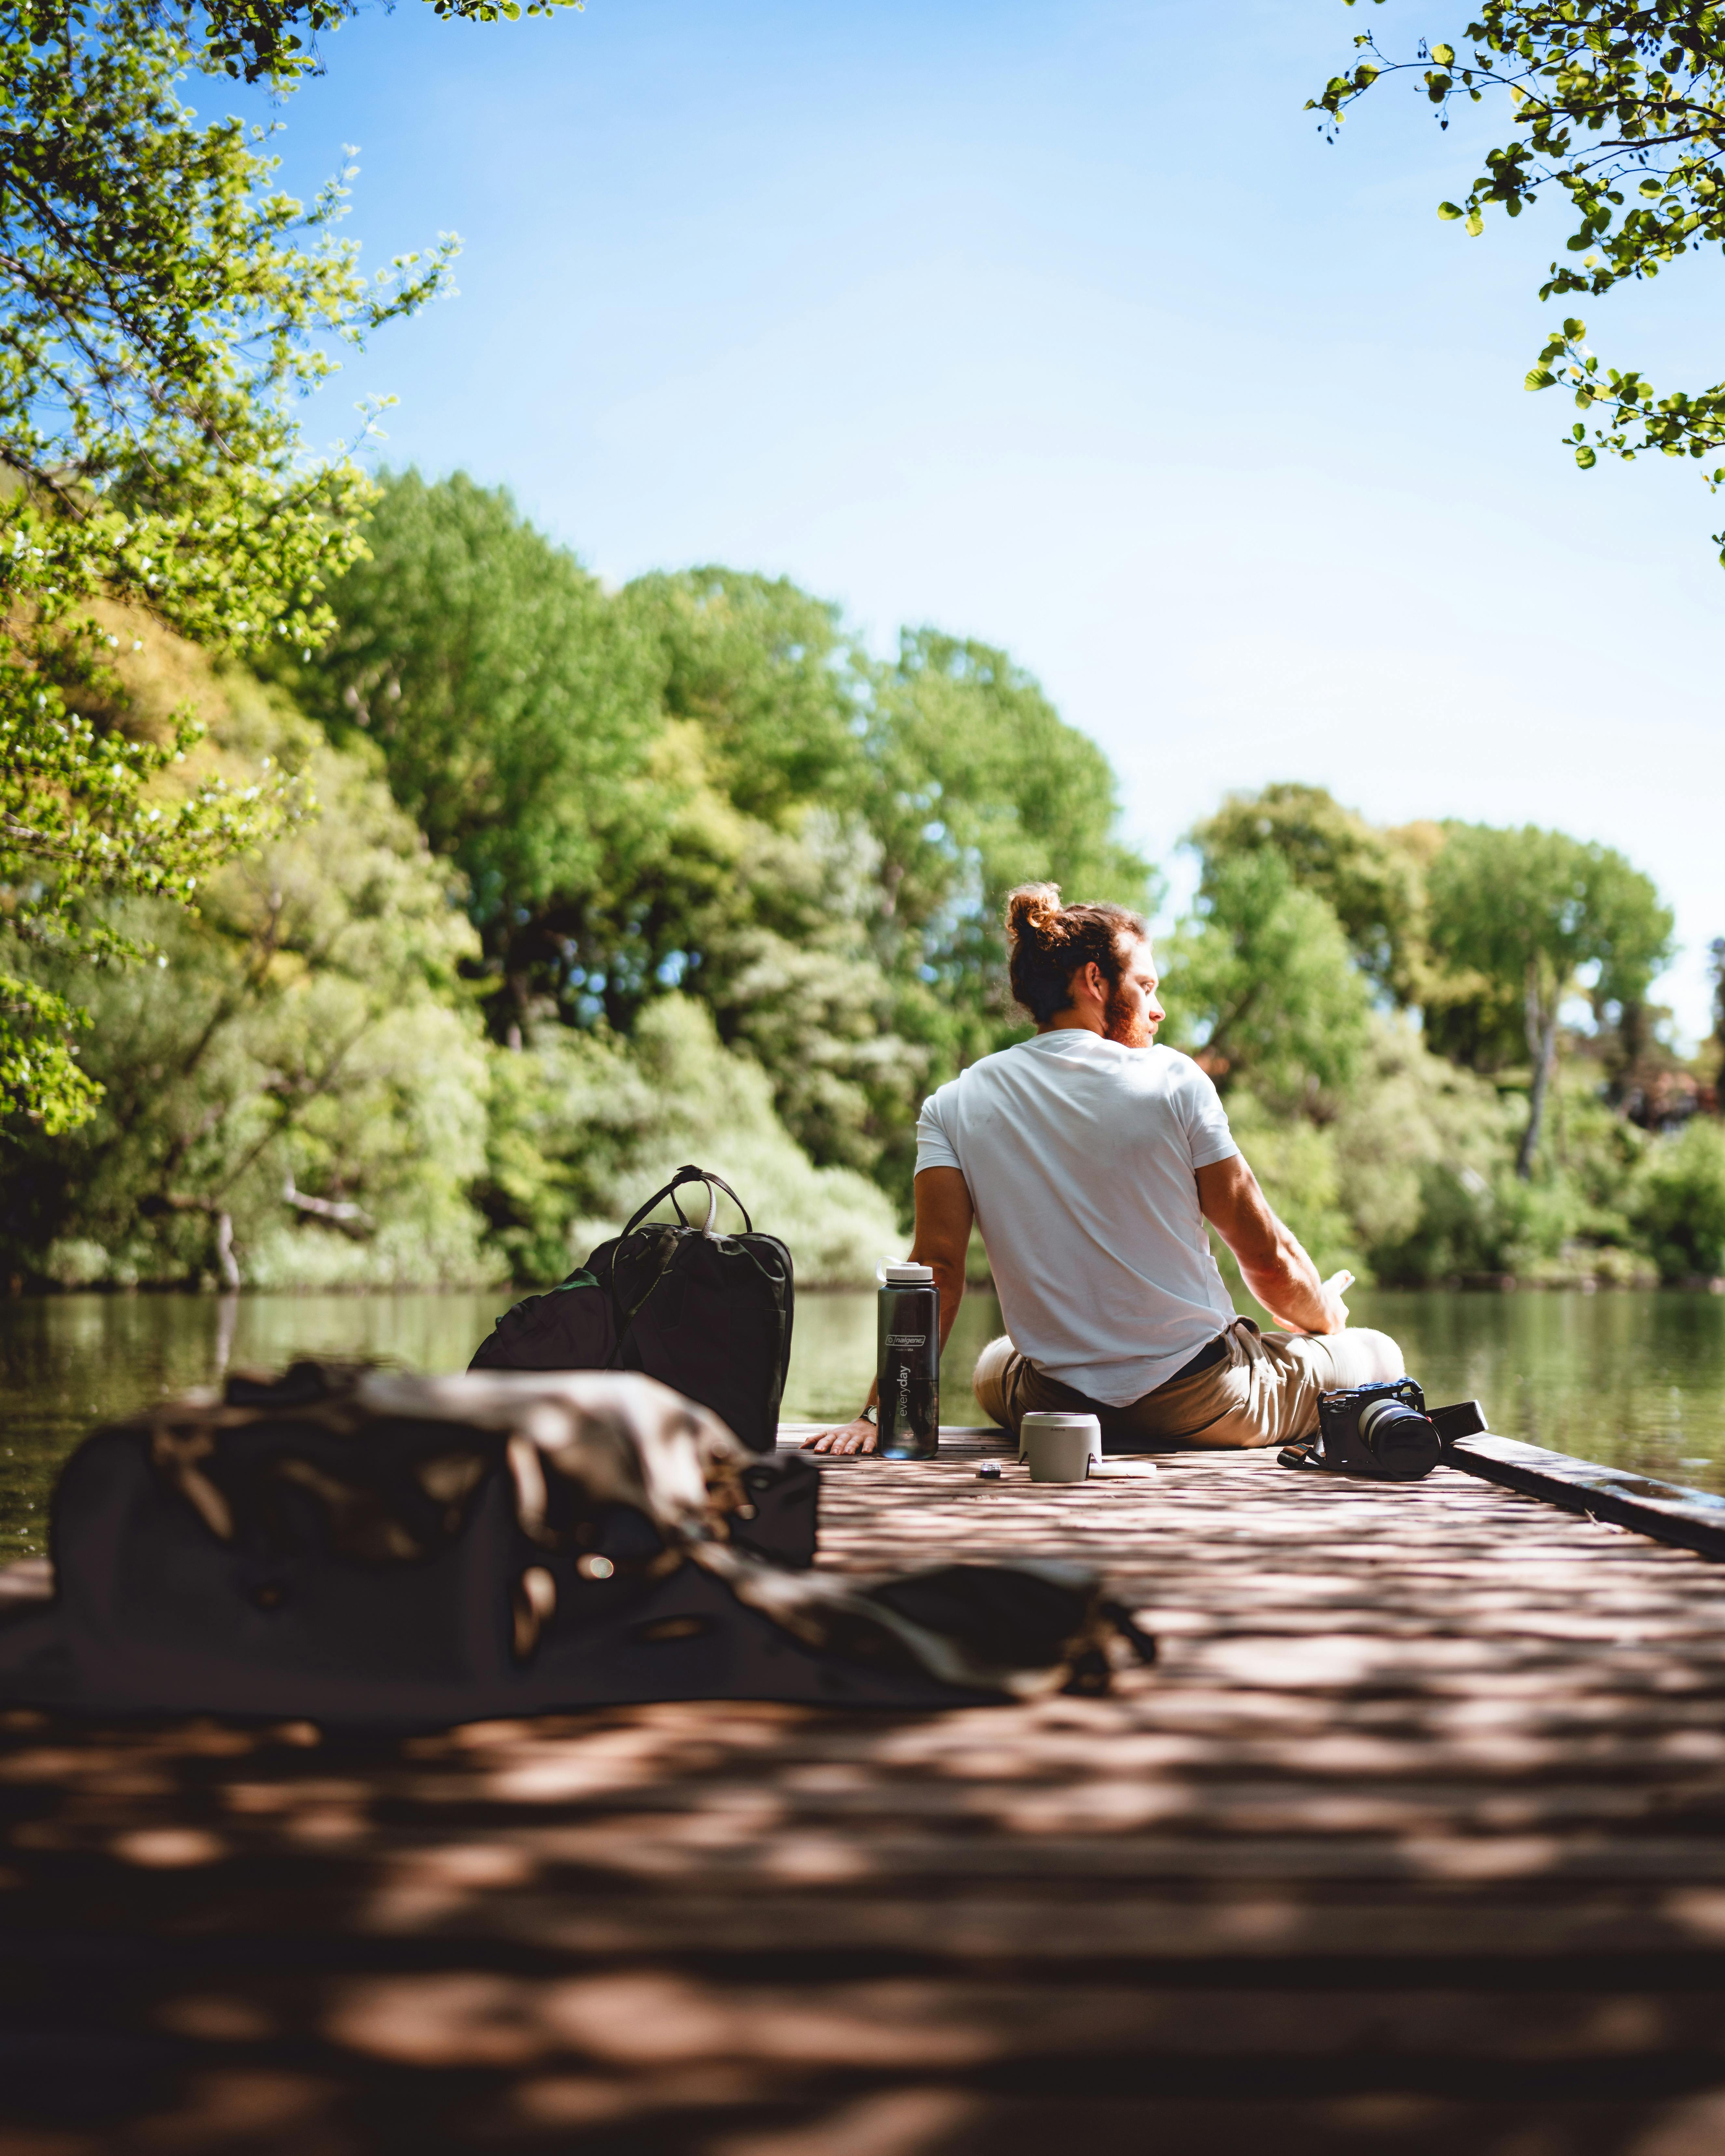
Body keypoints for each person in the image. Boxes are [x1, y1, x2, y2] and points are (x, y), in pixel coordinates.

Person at [805, 882, 1403, 1457]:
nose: (1159, 1009)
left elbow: (935, 1271)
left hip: (1055, 1404)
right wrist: (1323, 1317)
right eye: (1145, 986)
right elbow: (1268, 1260)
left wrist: (878, 1413)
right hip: (1207, 1401)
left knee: (994, 1364)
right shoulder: (1174, 1080)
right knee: (1376, 1352)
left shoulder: (952, 1104)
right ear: (1095, 980)